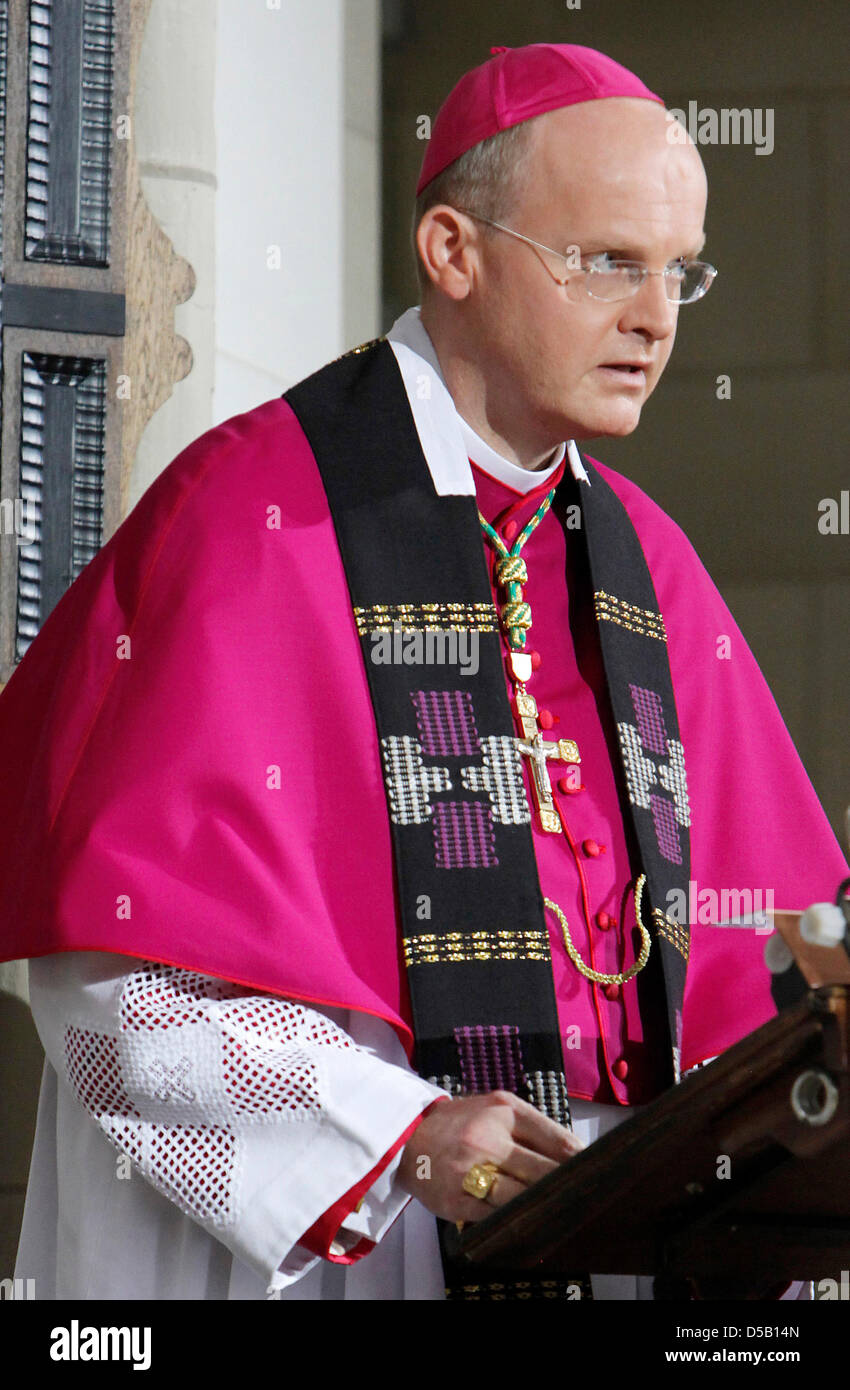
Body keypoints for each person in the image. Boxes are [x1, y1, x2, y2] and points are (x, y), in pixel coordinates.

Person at [3, 43, 847, 1302]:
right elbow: (109, 979)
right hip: (334, 1236)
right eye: (606, 260)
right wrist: (387, 1134)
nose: (656, 317)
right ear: (452, 251)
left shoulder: (649, 566)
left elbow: (753, 951)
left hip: (601, 1230)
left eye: (679, 272)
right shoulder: (253, 519)